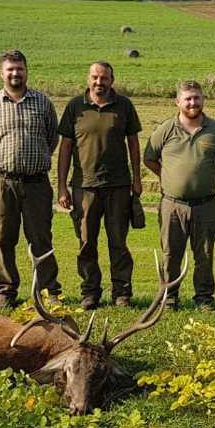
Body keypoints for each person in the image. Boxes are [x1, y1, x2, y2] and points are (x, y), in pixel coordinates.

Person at [0, 50, 60, 310]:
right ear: (2, 73)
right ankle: (5, 290)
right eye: (10, 69)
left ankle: (48, 291)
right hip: (3, 182)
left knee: (41, 238)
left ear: (26, 71)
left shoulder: (42, 102)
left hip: (36, 183)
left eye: (19, 69)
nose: (15, 73)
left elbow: (52, 138)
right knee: (3, 237)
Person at [57, 61, 143, 310]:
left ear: (112, 80)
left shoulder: (124, 105)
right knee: (86, 243)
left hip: (118, 186)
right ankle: (90, 293)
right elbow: (65, 148)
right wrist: (62, 186)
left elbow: (134, 144)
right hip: (85, 187)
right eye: (95, 77)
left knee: (118, 242)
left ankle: (122, 294)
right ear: (88, 79)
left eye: (104, 78)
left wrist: (136, 179)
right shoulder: (75, 107)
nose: (99, 82)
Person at [143, 80, 215, 312]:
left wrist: (207, 174)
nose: (193, 103)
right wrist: (169, 176)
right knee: (171, 254)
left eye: (197, 98)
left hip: (206, 205)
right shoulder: (166, 129)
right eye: (188, 99)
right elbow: (150, 158)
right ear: (178, 102)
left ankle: (204, 299)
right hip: (172, 205)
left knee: (204, 254)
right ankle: (169, 298)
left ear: (203, 99)